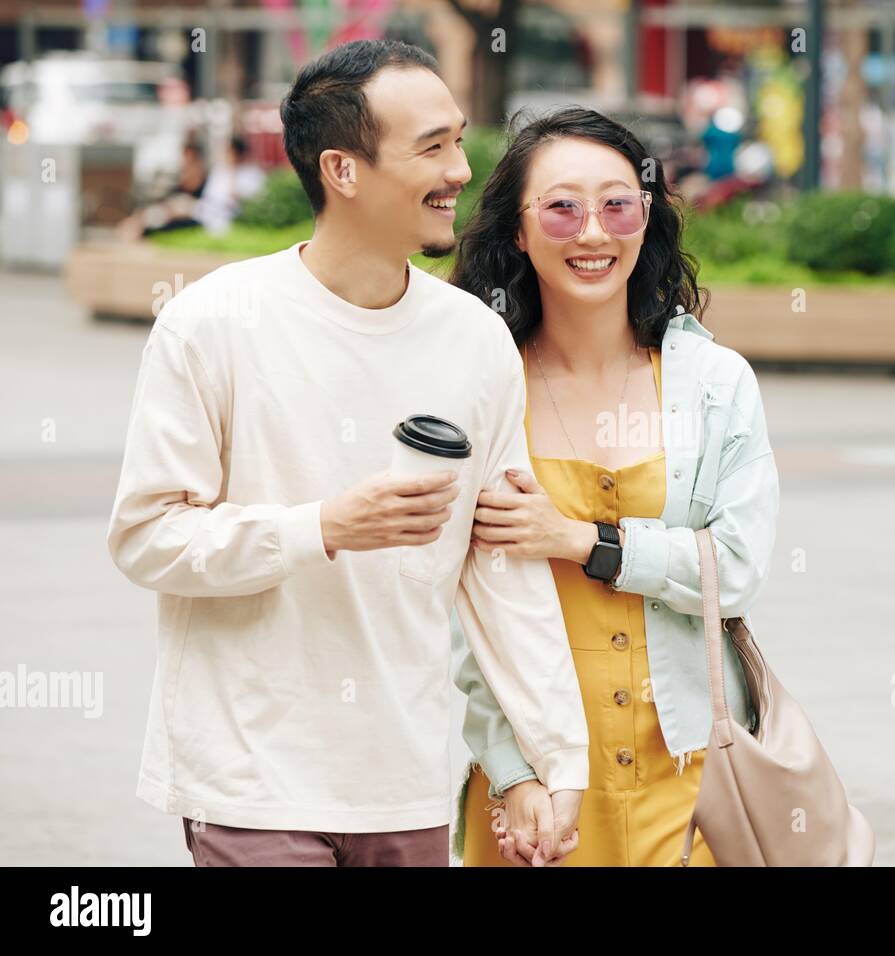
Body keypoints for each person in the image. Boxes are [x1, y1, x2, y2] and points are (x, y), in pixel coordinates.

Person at [106, 39, 588, 867]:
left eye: (458, 139)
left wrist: (548, 758)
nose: (461, 171)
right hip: (249, 778)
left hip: (403, 779)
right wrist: (322, 527)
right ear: (343, 170)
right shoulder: (213, 324)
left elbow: (500, 566)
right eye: (431, 147)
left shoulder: (475, 339)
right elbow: (147, 538)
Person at [449, 107, 780, 866]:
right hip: (536, 789)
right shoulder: (482, 387)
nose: (593, 232)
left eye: (618, 204)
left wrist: (580, 541)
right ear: (518, 232)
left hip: (695, 777)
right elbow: (456, 613)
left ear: (646, 217)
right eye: (562, 208)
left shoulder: (714, 383)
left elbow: (735, 570)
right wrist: (511, 770)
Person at [193, 136, 268, 234]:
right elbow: (209, 196)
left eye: (230, 152)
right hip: (211, 213)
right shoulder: (219, 170)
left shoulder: (252, 173)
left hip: (237, 217)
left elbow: (254, 200)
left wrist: (233, 174)